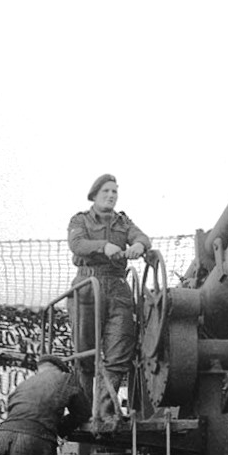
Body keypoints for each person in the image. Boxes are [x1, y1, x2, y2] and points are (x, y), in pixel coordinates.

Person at [67, 174, 152, 426]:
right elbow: (77, 243)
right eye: (106, 191)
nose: (111, 195)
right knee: (84, 356)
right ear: (94, 195)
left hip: (117, 288)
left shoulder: (123, 221)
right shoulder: (79, 220)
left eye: (115, 191)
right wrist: (104, 246)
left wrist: (138, 245)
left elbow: (143, 238)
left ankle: (104, 412)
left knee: (118, 354)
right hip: (87, 287)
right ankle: (83, 413)